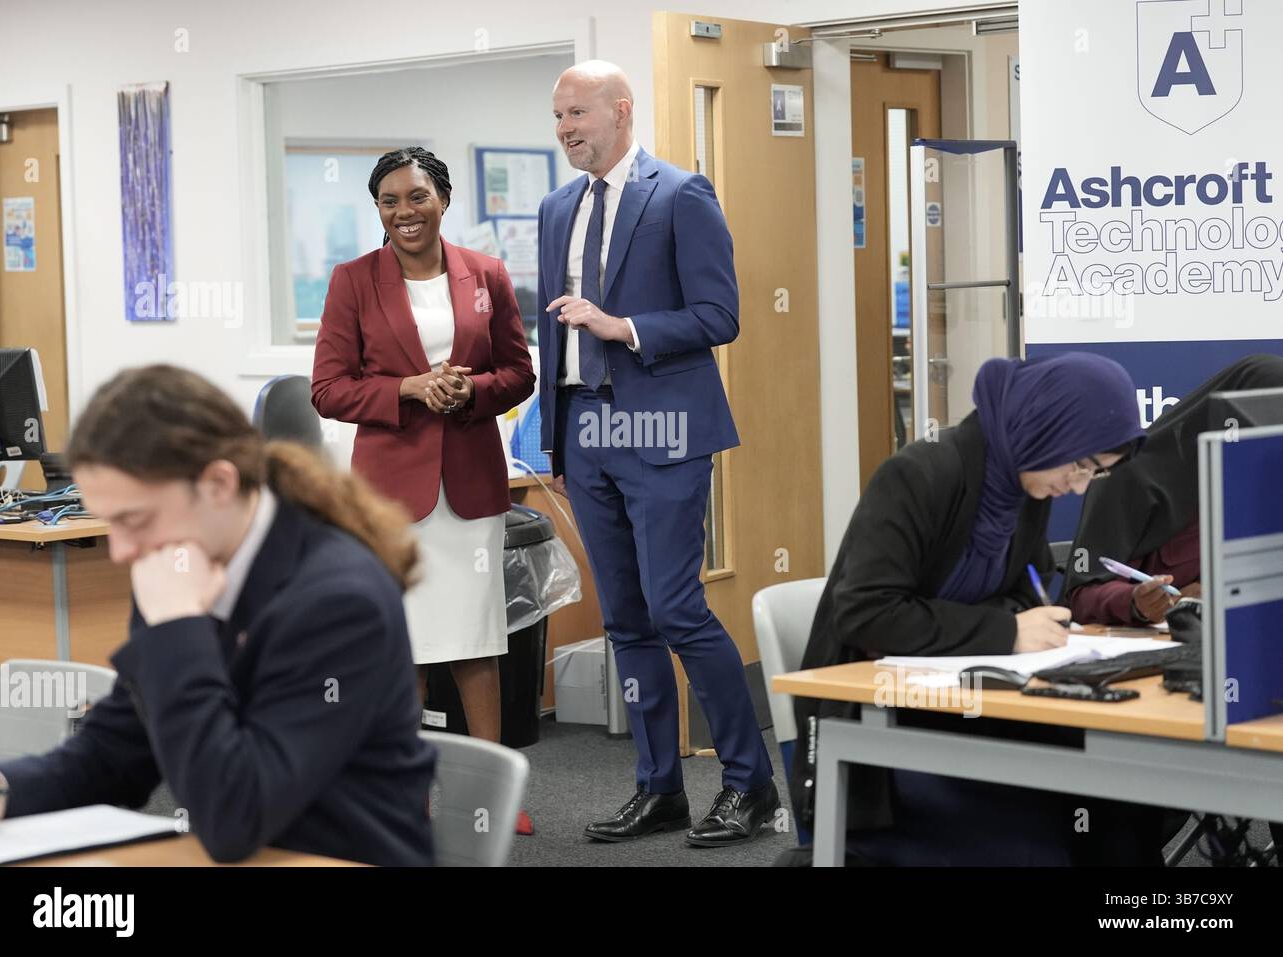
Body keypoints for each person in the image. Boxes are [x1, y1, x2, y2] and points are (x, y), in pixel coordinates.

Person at [0, 365, 434, 866]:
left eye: (137, 520)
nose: (123, 551)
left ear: (218, 483)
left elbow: (234, 817)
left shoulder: (338, 600)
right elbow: (116, 754)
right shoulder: (174, 566)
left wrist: (178, 628)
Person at [790, 353, 1162, 865]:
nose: (1077, 486)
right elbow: (866, 613)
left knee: (1122, 803)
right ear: (1046, 428)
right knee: (1063, 834)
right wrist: (1004, 631)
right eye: (1080, 465)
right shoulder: (919, 475)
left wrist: (1024, 618)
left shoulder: (1025, 481)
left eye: (1094, 475)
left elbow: (1023, 590)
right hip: (880, 725)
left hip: (969, 705)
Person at [537, 60, 777, 847]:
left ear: (621, 110)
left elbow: (719, 314)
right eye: (559, 117)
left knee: (677, 608)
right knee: (628, 621)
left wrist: (624, 327)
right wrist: (557, 440)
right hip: (588, 435)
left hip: (664, 432)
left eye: (577, 114)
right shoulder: (554, 209)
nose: (567, 129)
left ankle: (753, 784)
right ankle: (658, 786)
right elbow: (550, 335)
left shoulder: (680, 196)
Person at [311, 148, 535, 813]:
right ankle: (407, 789)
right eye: (389, 201)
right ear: (377, 209)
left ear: (443, 198)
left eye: (416, 196)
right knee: (402, 644)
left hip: (468, 484)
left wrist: (469, 390)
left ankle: (493, 790)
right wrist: (410, 388)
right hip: (389, 493)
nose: (404, 212)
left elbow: (519, 372)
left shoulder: (486, 274)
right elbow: (328, 388)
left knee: (475, 638)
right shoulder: (353, 280)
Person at [1066, 354, 1283, 625]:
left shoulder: (1258, 484)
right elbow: (1081, 596)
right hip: (1141, 644)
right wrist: (1135, 601)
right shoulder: (1130, 475)